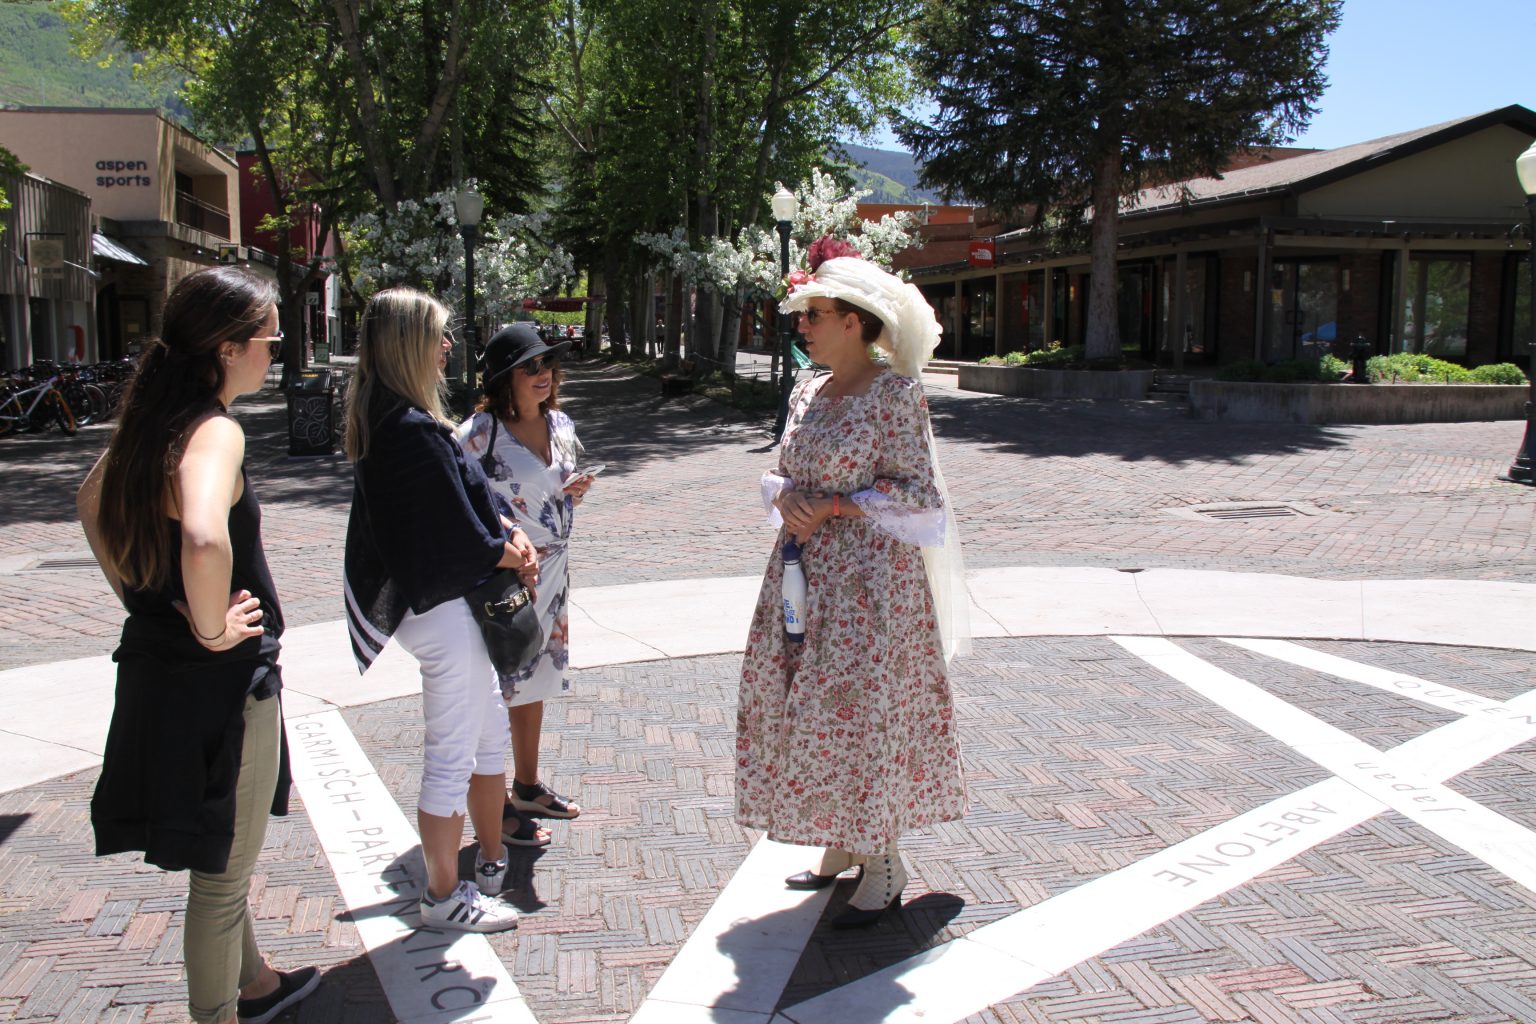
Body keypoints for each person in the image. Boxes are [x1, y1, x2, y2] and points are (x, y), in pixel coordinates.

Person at [77, 266, 319, 1024]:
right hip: (222, 690)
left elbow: (91, 502)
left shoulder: (154, 420)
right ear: (227, 348)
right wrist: (213, 627)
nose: (274, 355)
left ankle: (256, 983)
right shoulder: (214, 429)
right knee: (219, 884)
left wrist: (146, 602)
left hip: (159, 676)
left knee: (216, 859)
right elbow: (207, 537)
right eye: (269, 342)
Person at [735, 246, 970, 929]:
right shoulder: (807, 388)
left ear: (855, 321)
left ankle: (884, 858)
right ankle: (842, 836)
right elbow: (780, 468)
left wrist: (835, 507)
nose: (803, 324)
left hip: (870, 586)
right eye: (804, 314)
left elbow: (921, 499)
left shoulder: (895, 394)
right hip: (804, 571)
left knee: (862, 710)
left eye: (815, 313)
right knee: (806, 704)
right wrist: (787, 498)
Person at [343, 287, 541, 932]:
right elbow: (449, 537)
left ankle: (485, 866)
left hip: (446, 608)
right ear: (408, 345)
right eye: (439, 334)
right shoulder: (407, 429)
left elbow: (471, 500)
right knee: (452, 753)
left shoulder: (395, 418)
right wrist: (508, 553)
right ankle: (442, 897)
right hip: (444, 612)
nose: (449, 345)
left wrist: (508, 535)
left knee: (485, 738)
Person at [457, 323, 594, 843]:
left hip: (555, 570)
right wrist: (499, 546)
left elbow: (562, 482)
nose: (544, 374)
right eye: (529, 366)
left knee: (533, 680)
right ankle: (491, 811)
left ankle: (527, 785)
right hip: (505, 575)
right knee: (498, 684)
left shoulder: (560, 423)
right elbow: (455, 496)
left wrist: (573, 491)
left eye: (548, 364)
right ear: (503, 378)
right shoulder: (480, 432)